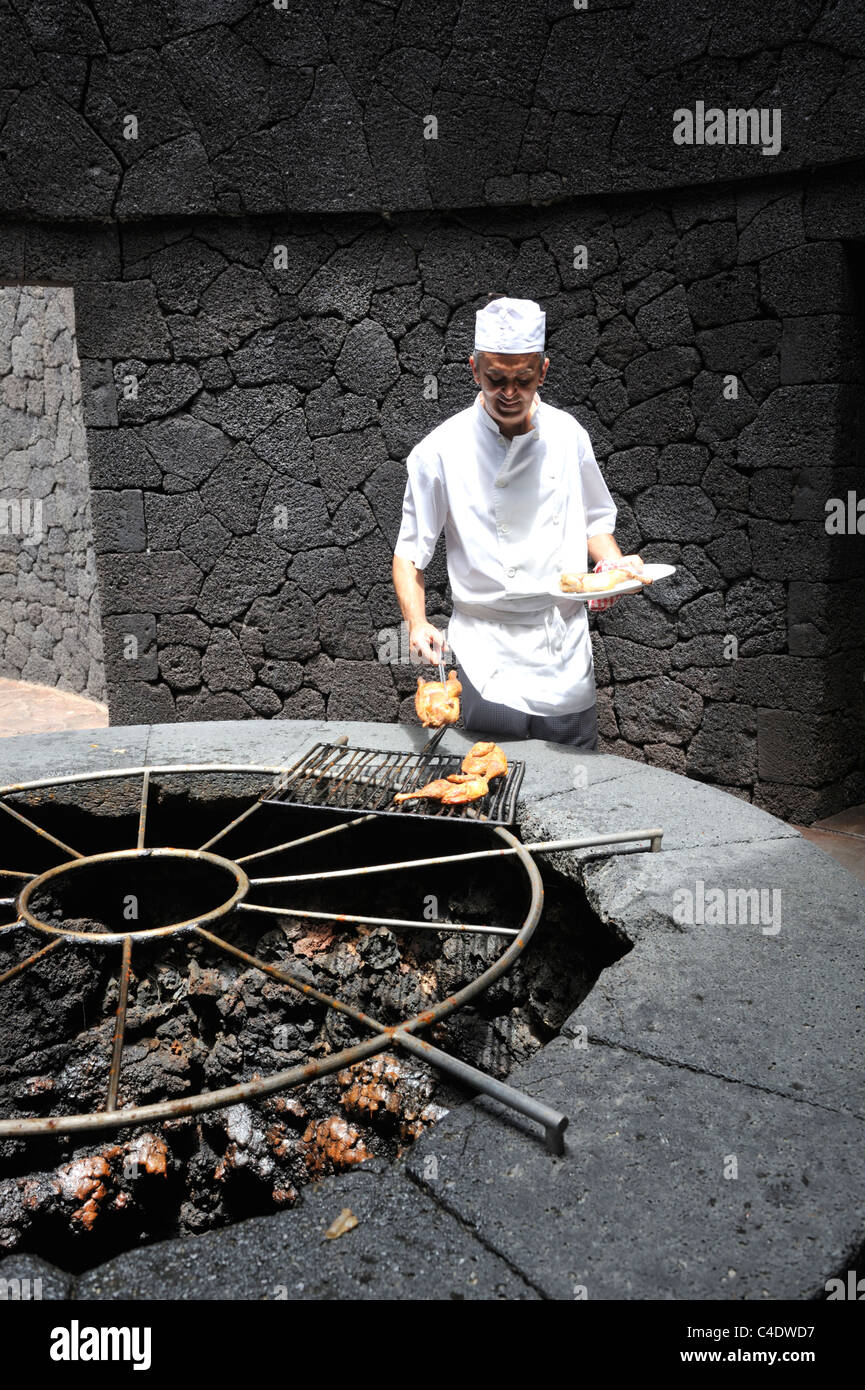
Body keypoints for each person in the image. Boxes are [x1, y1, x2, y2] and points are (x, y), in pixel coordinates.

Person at [391, 295, 643, 748]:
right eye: (496, 379)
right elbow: (410, 554)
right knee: (488, 775)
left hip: (559, 644)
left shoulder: (569, 436)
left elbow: (595, 523)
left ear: (542, 372)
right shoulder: (439, 451)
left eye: (523, 380)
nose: (509, 392)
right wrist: (417, 623)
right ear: (474, 370)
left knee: (572, 779)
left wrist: (613, 570)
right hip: (486, 649)